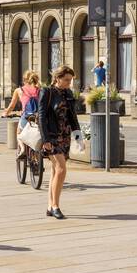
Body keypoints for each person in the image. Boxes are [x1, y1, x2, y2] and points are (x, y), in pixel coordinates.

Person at [38, 65, 81, 220]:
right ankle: (56, 206)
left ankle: (50, 206)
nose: (69, 83)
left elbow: (72, 115)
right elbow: (41, 116)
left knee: (56, 171)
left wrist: (77, 133)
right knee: (61, 169)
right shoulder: (46, 92)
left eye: (70, 80)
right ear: (57, 78)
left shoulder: (68, 93)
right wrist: (45, 139)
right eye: (66, 80)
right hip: (52, 135)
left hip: (65, 135)